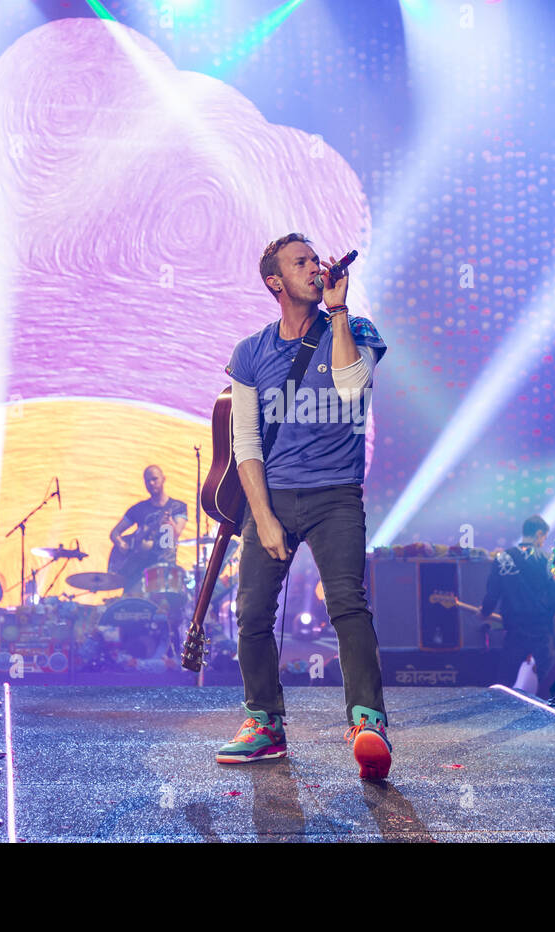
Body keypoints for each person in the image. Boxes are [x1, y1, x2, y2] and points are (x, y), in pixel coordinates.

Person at [215, 232, 391, 779]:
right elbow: (246, 442)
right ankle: (264, 723)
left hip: (336, 493)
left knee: (346, 602)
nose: (316, 267)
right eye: (302, 262)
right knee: (251, 613)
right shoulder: (251, 352)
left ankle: (368, 724)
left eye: (317, 260)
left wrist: (338, 312)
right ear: (276, 280)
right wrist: (262, 516)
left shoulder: (355, 330)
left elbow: (351, 388)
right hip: (274, 496)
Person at [479, 516, 555, 699]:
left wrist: (485, 612)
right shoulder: (547, 559)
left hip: (514, 630)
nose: (542, 542)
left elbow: (492, 593)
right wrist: (547, 614)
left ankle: (496, 718)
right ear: (539, 534)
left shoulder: (503, 558)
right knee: (549, 683)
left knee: (505, 684)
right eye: (543, 538)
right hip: (541, 630)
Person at [108, 465, 188, 595]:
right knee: (130, 606)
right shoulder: (138, 509)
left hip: (164, 569)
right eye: (147, 481)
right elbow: (114, 533)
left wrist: (169, 522)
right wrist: (122, 544)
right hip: (137, 570)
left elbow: (177, 534)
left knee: (162, 608)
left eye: (154, 479)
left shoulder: (178, 507)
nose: (151, 483)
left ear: (163, 479)